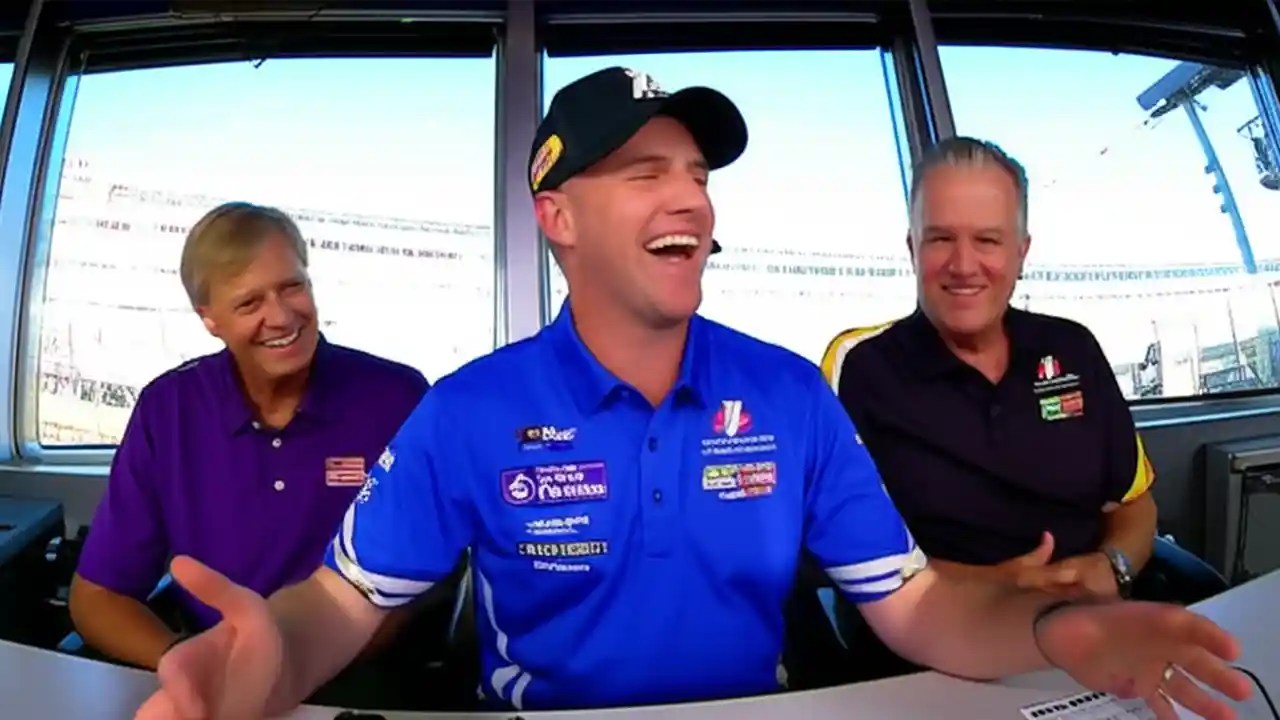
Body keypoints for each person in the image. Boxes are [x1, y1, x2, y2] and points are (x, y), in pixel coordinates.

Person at [135, 70, 1249, 720]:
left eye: (699, 176)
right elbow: (341, 604)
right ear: (557, 217)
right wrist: (261, 659)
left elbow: (917, 609)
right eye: (644, 173)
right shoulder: (468, 414)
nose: (691, 200)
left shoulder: (788, 398)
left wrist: (1061, 630)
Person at [69, 202, 430, 671]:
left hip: (361, 675)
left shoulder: (396, 398)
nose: (281, 317)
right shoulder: (168, 410)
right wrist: (186, 663)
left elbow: (428, 579)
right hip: (215, 672)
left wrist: (293, 667)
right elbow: (98, 595)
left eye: (292, 286)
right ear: (209, 318)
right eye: (249, 303)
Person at [820, 137, 1158, 599]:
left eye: (987, 240)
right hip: (937, 642)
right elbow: (842, 548)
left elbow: (1133, 504)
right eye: (940, 238)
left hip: (1093, 626)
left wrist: (1111, 566)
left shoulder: (1072, 347)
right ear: (912, 249)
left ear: (1021, 251)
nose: (963, 265)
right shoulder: (858, 366)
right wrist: (998, 586)